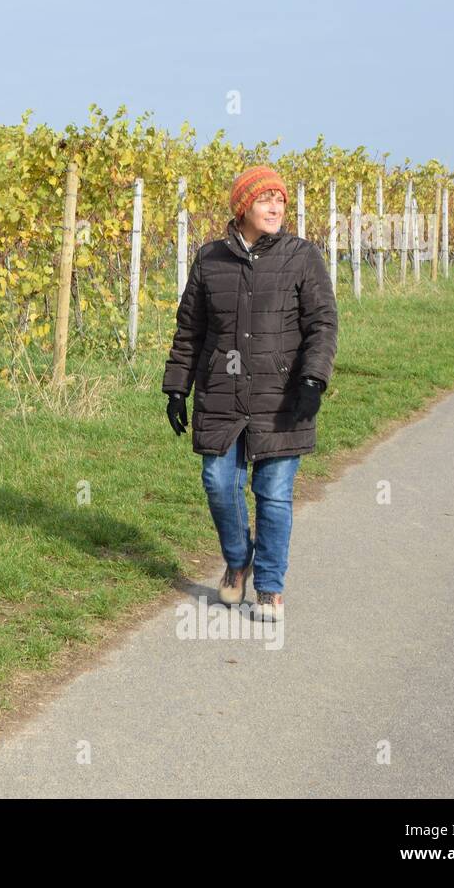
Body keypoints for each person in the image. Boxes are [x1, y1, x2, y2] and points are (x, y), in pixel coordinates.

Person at [162, 166, 338, 621]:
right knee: (219, 484)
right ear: (243, 207)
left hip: (283, 396)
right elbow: (190, 332)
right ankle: (238, 561)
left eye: (280, 200)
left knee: (274, 493)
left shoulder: (303, 257)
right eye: (265, 200)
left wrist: (313, 380)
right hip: (221, 394)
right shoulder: (210, 260)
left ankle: (270, 586)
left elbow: (322, 324)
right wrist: (177, 387)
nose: (276, 208)